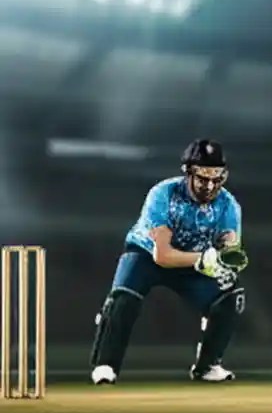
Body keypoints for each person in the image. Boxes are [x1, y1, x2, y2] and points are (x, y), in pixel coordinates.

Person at [89, 139, 249, 384]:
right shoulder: (163, 194)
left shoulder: (228, 205)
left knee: (231, 296)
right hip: (147, 255)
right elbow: (162, 255)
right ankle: (106, 364)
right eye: (202, 178)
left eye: (216, 179)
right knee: (123, 297)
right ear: (188, 173)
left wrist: (226, 262)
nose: (209, 186)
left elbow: (230, 247)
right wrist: (203, 259)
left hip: (193, 262)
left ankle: (208, 365)